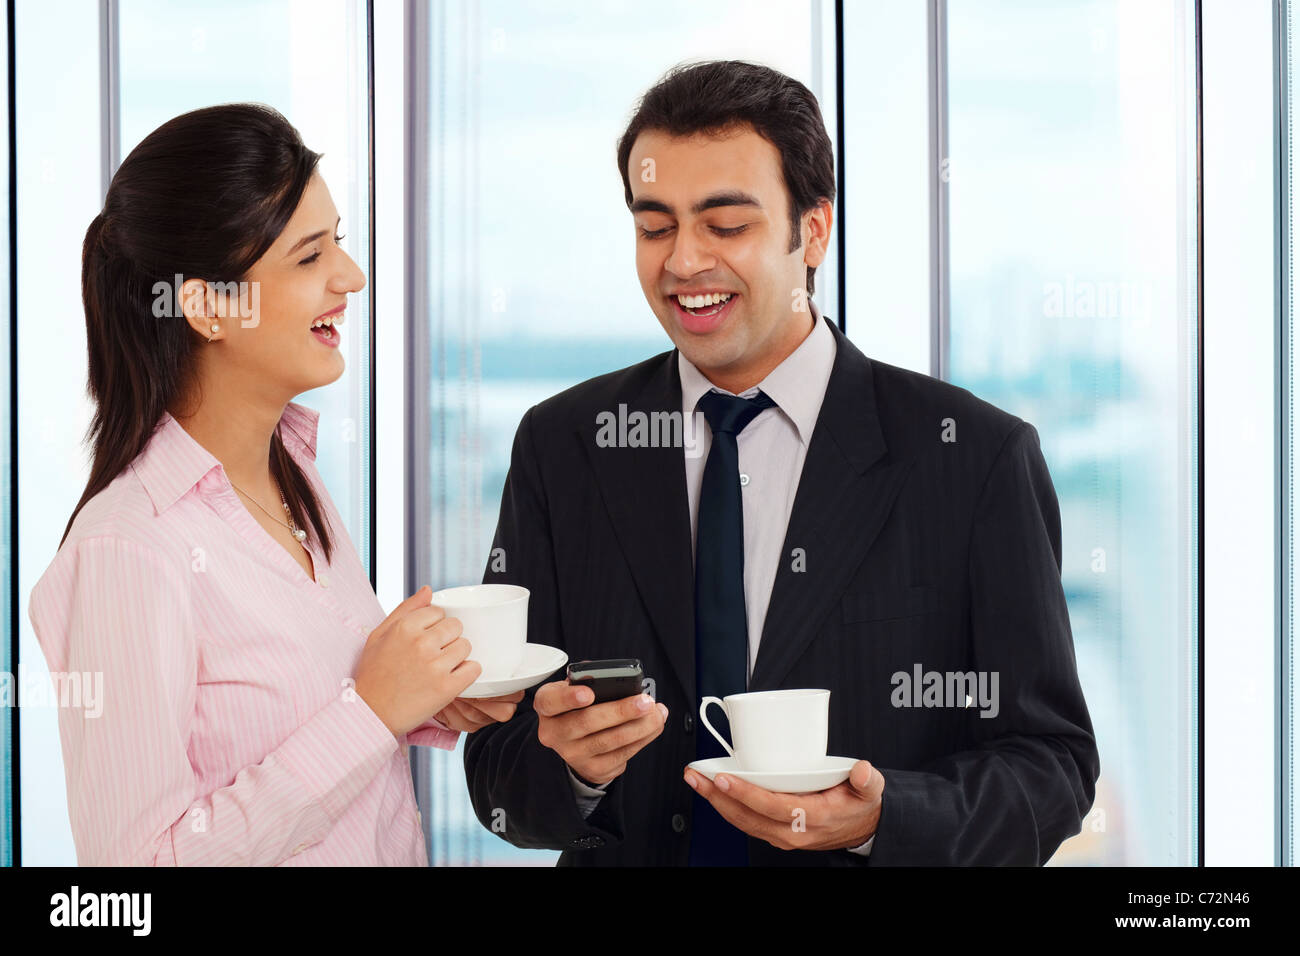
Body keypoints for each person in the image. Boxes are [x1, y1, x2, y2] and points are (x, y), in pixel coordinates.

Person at [463, 60, 1100, 865]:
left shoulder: (974, 458)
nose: (683, 262)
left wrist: (880, 820)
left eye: (726, 226)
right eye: (655, 226)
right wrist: (572, 771)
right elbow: (495, 777)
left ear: (814, 231)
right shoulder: (564, 445)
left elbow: (1053, 766)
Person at [27, 103, 521, 866]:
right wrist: (370, 711)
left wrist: (434, 697)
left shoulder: (293, 476)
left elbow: (301, 711)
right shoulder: (130, 548)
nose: (350, 277)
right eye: (308, 257)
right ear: (207, 306)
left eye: (340, 244)